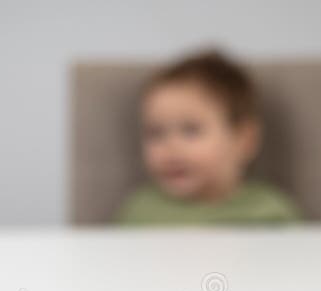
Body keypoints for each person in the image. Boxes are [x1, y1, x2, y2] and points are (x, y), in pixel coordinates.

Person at [115, 49, 301, 225]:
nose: (171, 147)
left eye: (190, 130)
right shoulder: (140, 212)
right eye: (156, 133)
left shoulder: (269, 212)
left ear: (244, 141)